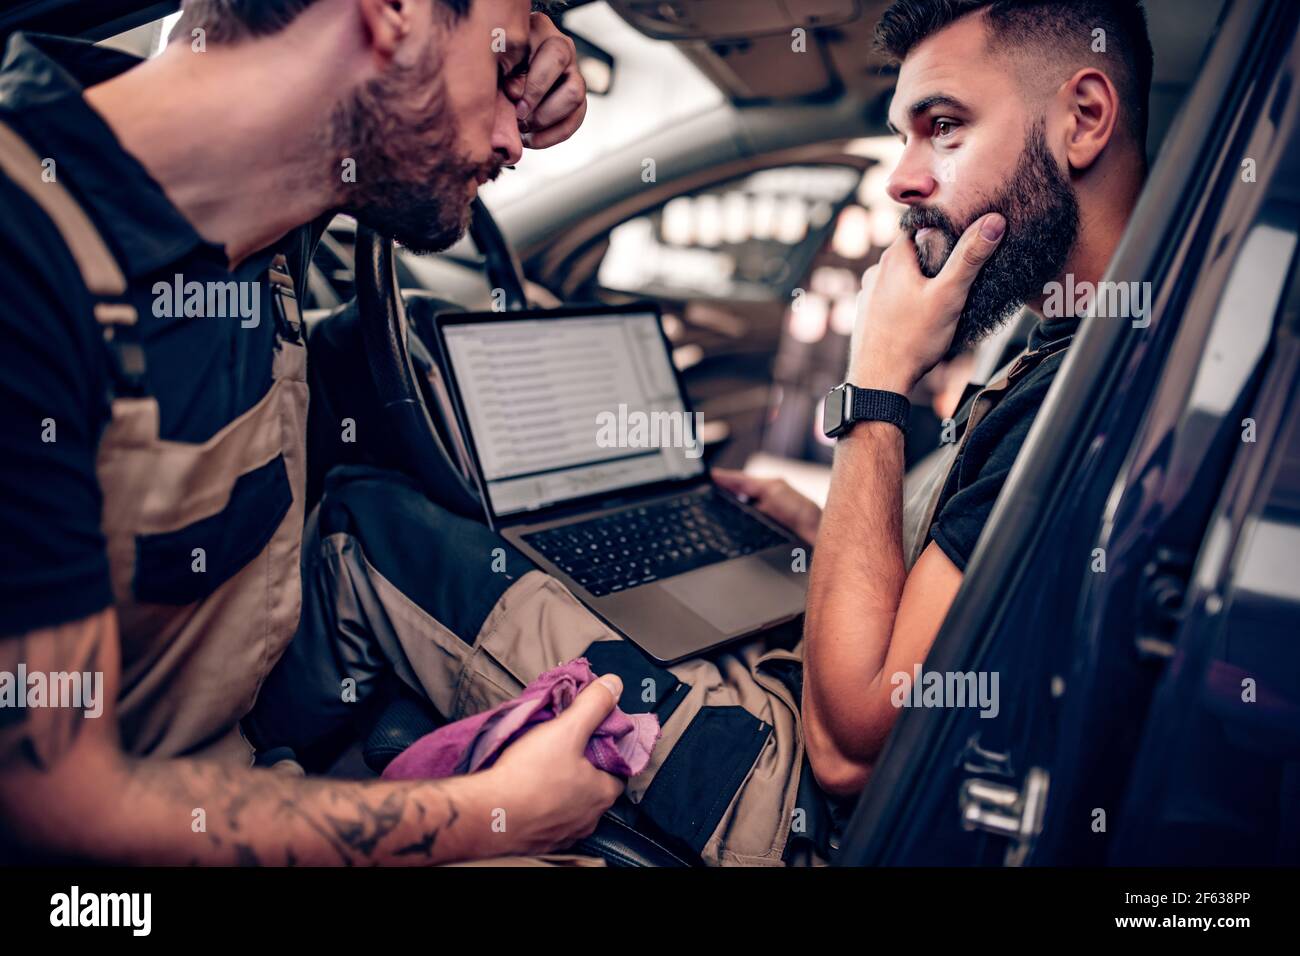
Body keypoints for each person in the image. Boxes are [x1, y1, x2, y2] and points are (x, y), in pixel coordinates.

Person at [246, 0, 1157, 866]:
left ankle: (237, 795)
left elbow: (849, 747)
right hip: (808, 700)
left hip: (797, 798)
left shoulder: (1082, 395)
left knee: (367, 522)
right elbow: (969, 585)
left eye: (944, 126)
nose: (902, 177)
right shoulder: (1090, 348)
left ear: (1083, 118)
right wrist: (820, 526)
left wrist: (874, 382)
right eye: (902, 134)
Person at [0, 0, 628, 866]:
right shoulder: (25, 260)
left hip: (247, 762)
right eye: (502, 68)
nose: (516, 139)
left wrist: (524, 35)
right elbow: (61, 813)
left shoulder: (274, 191)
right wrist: (495, 811)